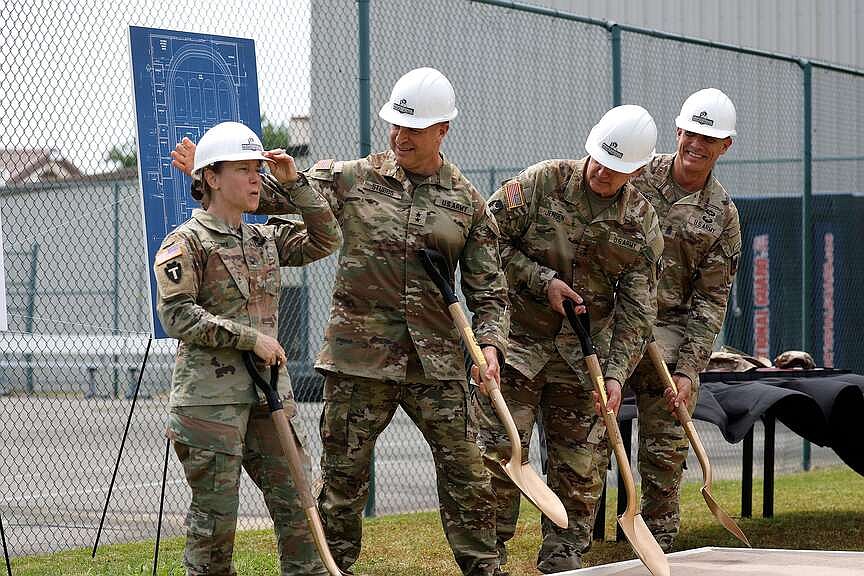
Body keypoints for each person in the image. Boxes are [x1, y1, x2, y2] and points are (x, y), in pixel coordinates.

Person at [172, 68, 510, 576]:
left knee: (467, 473)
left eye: (413, 130)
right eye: (395, 126)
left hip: (436, 364)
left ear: (442, 130)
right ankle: (334, 569)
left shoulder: (465, 202)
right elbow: (275, 197)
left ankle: (485, 568)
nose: (400, 137)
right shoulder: (353, 177)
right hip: (358, 360)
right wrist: (209, 168)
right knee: (342, 482)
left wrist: (491, 347)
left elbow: (489, 288)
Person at [479, 105, 663, 574]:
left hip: (585, 361)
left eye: (617, 168)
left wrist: (618, 375)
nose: (602, 171)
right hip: (517, 346)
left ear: (637, 170)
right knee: (500, 458)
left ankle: (564, 565)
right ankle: (488, 562)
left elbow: (639, 311)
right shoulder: (542, 183)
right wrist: (542, 282)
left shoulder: (641, 224)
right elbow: (486, 243)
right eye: (599, 158)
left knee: (579, 473)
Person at [155, 121, 341, 576]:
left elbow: (327, 238)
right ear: (211, 178)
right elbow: (177, 314)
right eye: (243, 169)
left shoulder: (265, 239)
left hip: (270, 399)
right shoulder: (185, 242)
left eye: (258, 169)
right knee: (215, 526)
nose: (256, 178)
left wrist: (295, 185)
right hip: (211, 403)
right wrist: (249, 337)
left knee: (300, 506)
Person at [626, 88, 741, 551]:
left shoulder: (722, 217)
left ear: (725, 146)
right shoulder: (634, 173)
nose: (697, 143)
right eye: (691, 132)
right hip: (610, 322)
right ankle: (570, 543)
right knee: (584, 437)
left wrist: (689, 370)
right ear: (678, 130)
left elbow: (711, 301)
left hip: (669, 334)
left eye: (709, 137)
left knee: (667, 444)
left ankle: (658, 544)